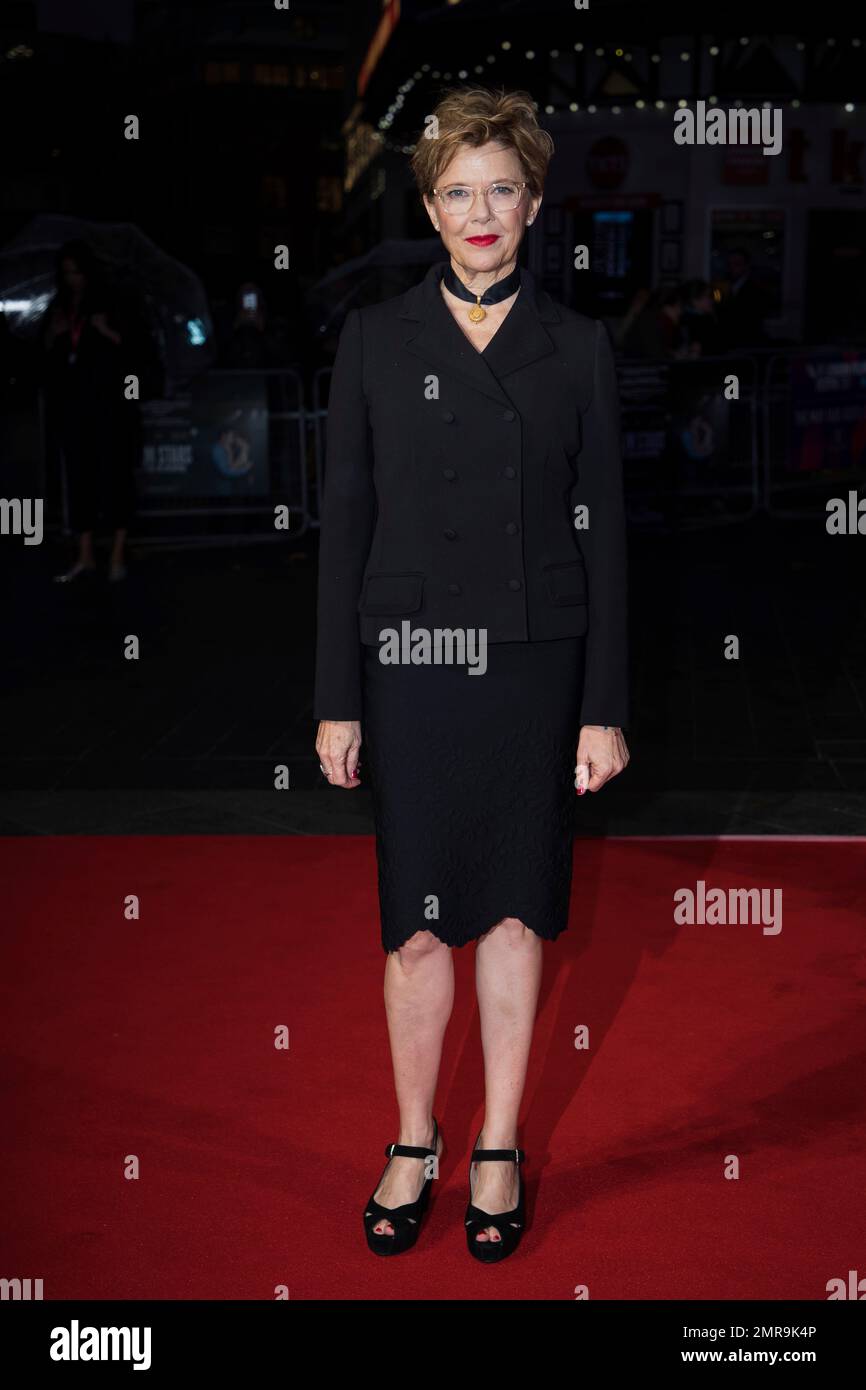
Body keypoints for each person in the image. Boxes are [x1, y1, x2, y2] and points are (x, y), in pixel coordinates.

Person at [314, 87, 630, 1263]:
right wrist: (334, 693)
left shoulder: (580, 348)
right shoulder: (374, 338)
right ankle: (412, 1135)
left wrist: (603, 708)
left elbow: (604, 540)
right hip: (408, 664)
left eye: (501, 187)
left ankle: (494, 1137)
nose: (480, 210)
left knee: (510, 911)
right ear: (431, 209)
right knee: (413, 927)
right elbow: (344, 522)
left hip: (535, 665)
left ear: (534, 203)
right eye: (457, 191)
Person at [43, 240, 136, 583]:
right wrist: (54, 336)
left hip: (110, 406)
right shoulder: (61, 305)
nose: (73, 280)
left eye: (77, 272)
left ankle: (116, 552)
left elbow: (136, 350)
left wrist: (108, 332)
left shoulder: (113, 300)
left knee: (113, 476)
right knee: (80, 477)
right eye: (67, 274)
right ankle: (85, 554)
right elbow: (47, 358)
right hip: (75, 404)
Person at [680, 278, 721, 357]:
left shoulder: (708, 317)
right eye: (708, 296)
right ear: (695, 300)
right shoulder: (691, 320)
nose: (712, 300)